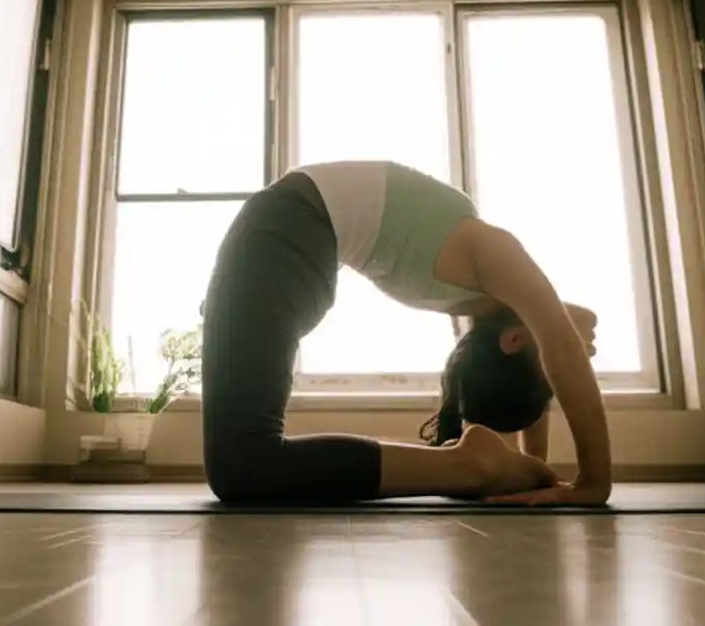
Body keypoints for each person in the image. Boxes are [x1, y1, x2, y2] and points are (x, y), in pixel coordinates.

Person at [201, 160, 611, 506]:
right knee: (243, 464)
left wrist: (541, 476)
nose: (582, 346)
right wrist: (590, 481)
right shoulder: (492, 254)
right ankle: (467, 466)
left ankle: (469, 467)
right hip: (286, 230)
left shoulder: (481, 299)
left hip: (283, 235)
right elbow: (558, 350)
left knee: (243, 465)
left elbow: (552, 353)